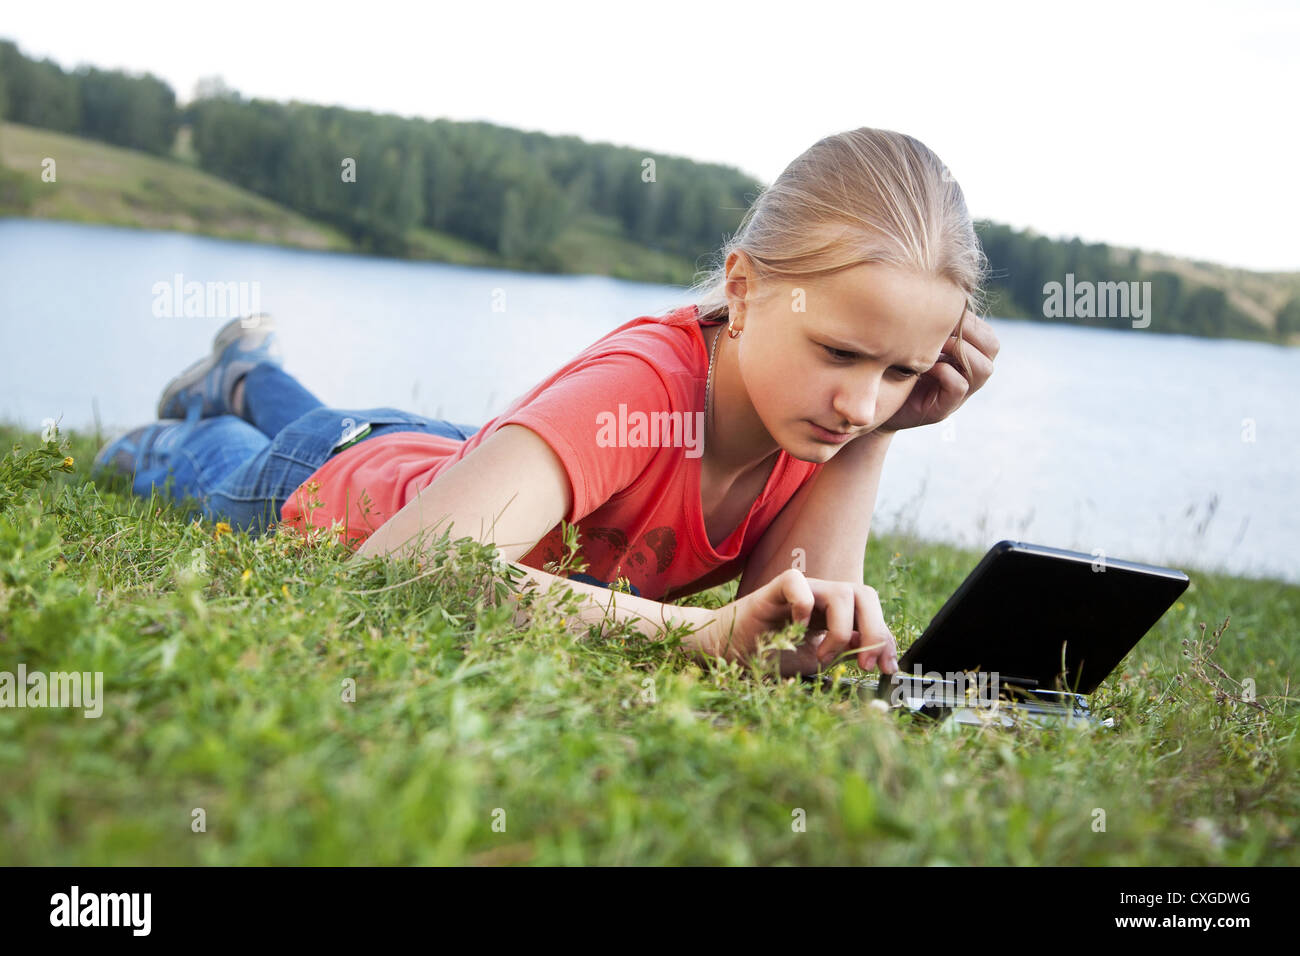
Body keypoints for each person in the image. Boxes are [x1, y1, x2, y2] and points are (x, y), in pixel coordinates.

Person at [93, 127, 1000, 679]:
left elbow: (786, 614)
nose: (857, 400)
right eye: (841, 352)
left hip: (452, 457)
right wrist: (693, 635)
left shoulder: (816, 424)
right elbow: (404, 564)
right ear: (746, 288)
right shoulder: (642, 391)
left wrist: (883, 436)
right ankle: (217, 404)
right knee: (208, 462)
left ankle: (247, 366)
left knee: (406, 442)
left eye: (897, 372)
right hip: (339, 480)